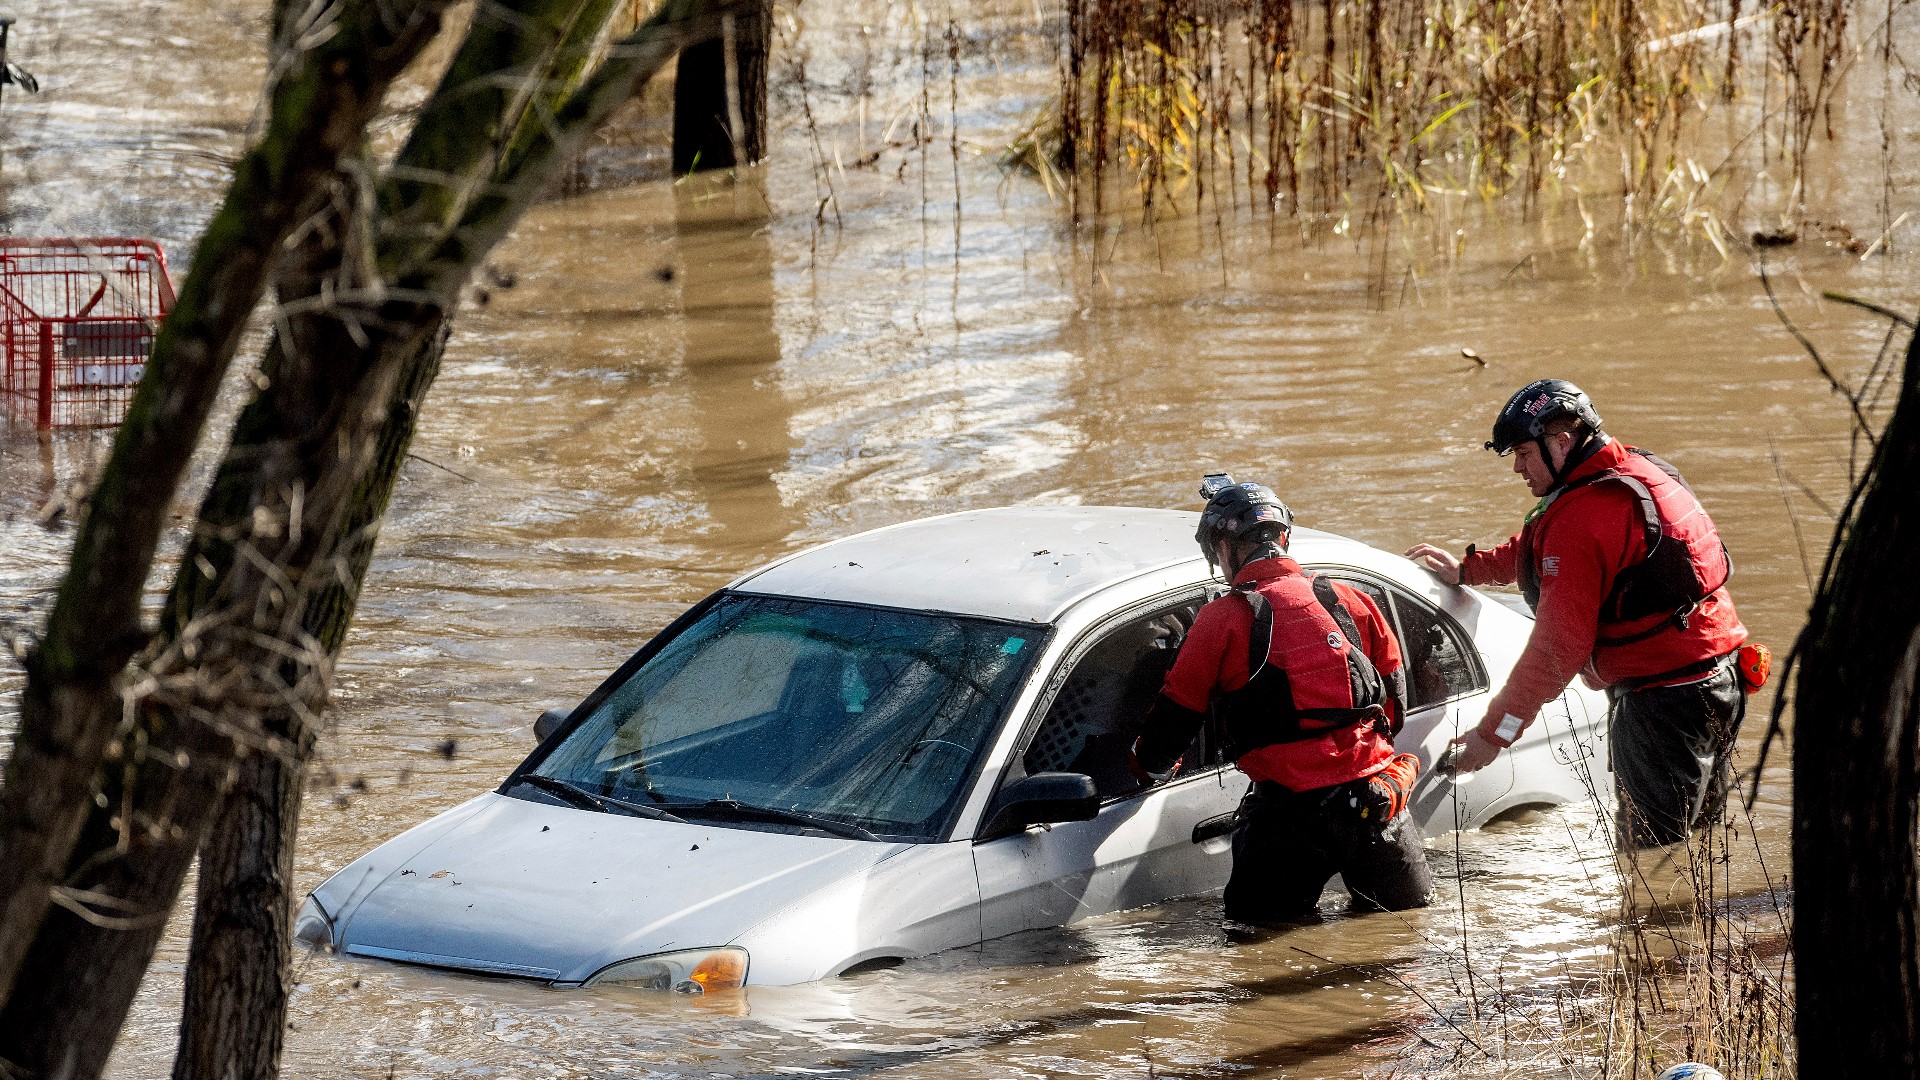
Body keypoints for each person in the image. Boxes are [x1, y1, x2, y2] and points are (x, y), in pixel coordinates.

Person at [1405, 380, 1750, 850]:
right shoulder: (1636, 470)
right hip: (1721, 679)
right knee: (1702, 846)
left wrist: (1493, 735)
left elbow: (1556, 651)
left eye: (1524, 453)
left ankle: (1655, 926)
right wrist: (1471, 568)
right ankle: (1708, 924)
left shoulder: (1583, 516)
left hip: (1660, 703)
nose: (1518, 469)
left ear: (1561, 443)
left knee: (1650, 858)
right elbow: (1545, 548)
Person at [1130, 476, 1430, 924]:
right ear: (1285, 538)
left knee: (1258, 949)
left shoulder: (1221, 620)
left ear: (1225, 550)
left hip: (1287, 819)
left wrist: (1145, 768)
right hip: (1374, 803)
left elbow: (1174, 718)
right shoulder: (1351, 599)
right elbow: (1395, 706)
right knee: (1407, 939)